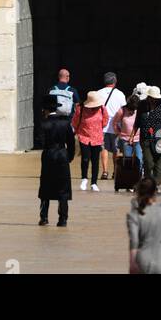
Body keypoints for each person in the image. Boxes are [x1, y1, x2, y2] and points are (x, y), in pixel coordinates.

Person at [127, 177, 161, 275]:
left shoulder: (134, 215)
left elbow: (134, 242)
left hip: (143, 262)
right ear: (155, 192)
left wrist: (132, 263)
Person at [37, 93, 75, 227]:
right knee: (63, 188)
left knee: (45, 187)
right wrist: (68, 157)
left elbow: (41, 142)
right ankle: (63, 219)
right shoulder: (66, 123)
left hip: (48, 156)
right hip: (62, 155)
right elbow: (71, 143)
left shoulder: (44, 123)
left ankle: (44, 217)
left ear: (46, 109)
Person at [73, 89, 108, 191]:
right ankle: (84, 178)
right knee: (85, 158)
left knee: (95, 160)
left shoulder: (102, 109)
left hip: (97, 137)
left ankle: (94, 182)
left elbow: (105, 121)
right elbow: (75, 121)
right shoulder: (81, 108)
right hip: (84, 136)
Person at [95, 71, 126, 182]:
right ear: (115, 81)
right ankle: (116, 172)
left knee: (104, 149)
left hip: (101, 126)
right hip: (116, 126)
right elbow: (123, 111)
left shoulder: (98, 93)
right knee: (116, 149)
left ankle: (104, 171)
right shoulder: (120, 94)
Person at [112, 93, 143, 187]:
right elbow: (114, 123)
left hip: (138, 139)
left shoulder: (139, 111)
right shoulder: (122, 110)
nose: (133, 111)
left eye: (135, 109)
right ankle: (129, 182)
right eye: (132, 109)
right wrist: (119, 133)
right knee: (127, 161)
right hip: (125, 139)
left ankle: (139, 180)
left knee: (139, 159)